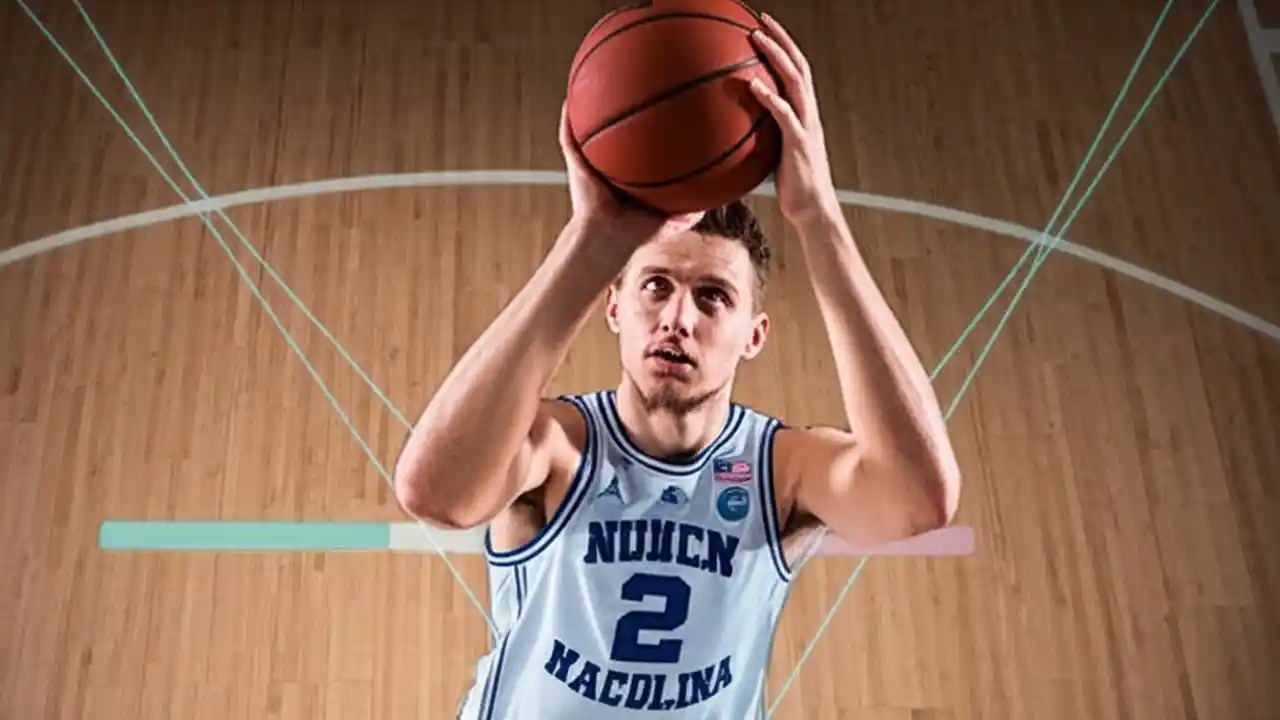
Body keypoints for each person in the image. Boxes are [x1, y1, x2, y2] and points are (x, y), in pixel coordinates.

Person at [394, 14, 961, 719]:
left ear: (754, 336)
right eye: (655, 286)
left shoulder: (781, 473)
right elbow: (431, 491)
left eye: (713, 297)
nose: (677, 317)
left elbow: (920, 499)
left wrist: (819, 218)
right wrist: (590, 241)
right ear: (614, 308)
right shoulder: (555, 448)